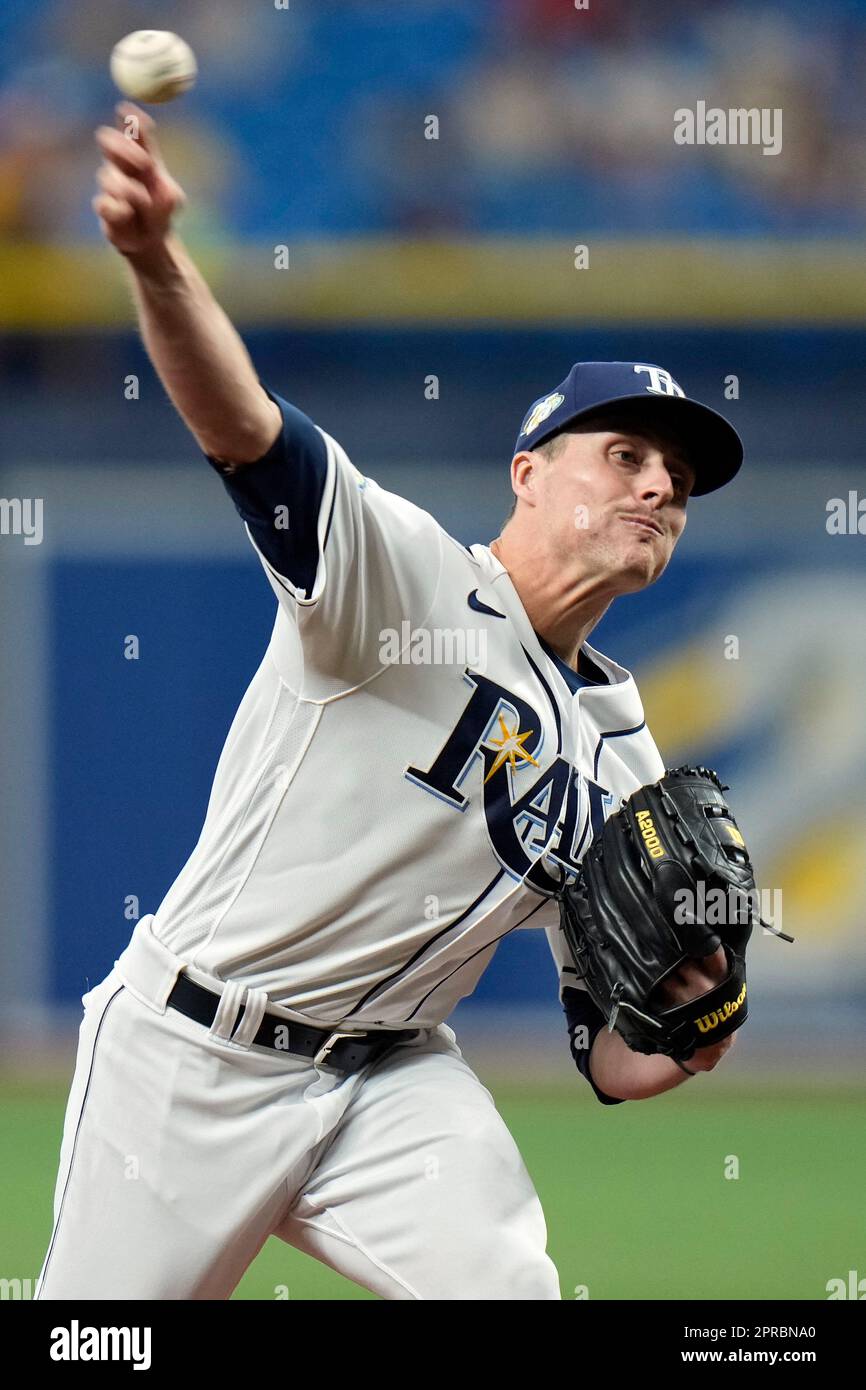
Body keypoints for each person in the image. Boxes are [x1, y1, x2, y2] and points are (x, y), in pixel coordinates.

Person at [36, 105, 743, 1302]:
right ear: (528, 472)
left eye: (677, 478)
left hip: (393, 1079)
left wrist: (702, 1018)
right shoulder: (402, 573)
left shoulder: (628, 765)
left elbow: (610, 1060)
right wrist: (158, 263)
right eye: (625, 455)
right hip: (195, 1049)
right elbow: (242, 428)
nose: (660, 484)